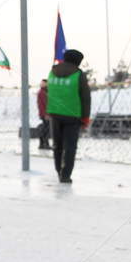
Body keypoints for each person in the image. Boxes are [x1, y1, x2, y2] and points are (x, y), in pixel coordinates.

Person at [46, 48, 92, 184]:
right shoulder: (78, 74)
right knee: (70, 146)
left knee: (57, 145)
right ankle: (65, 175)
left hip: (54, 113)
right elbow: (85, 97)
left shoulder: (52, 72)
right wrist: (85, 117)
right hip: (73, 115)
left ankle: (58, 170)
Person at [35, 79, 51, 150]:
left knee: (45, 128)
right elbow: (44, 104)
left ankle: (43, 144)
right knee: (46, 129)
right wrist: (46, 114)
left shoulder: (45, 91)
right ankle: (44, 143)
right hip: (45, 113)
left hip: (45, 113)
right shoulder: (42, 92)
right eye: (44, 83)